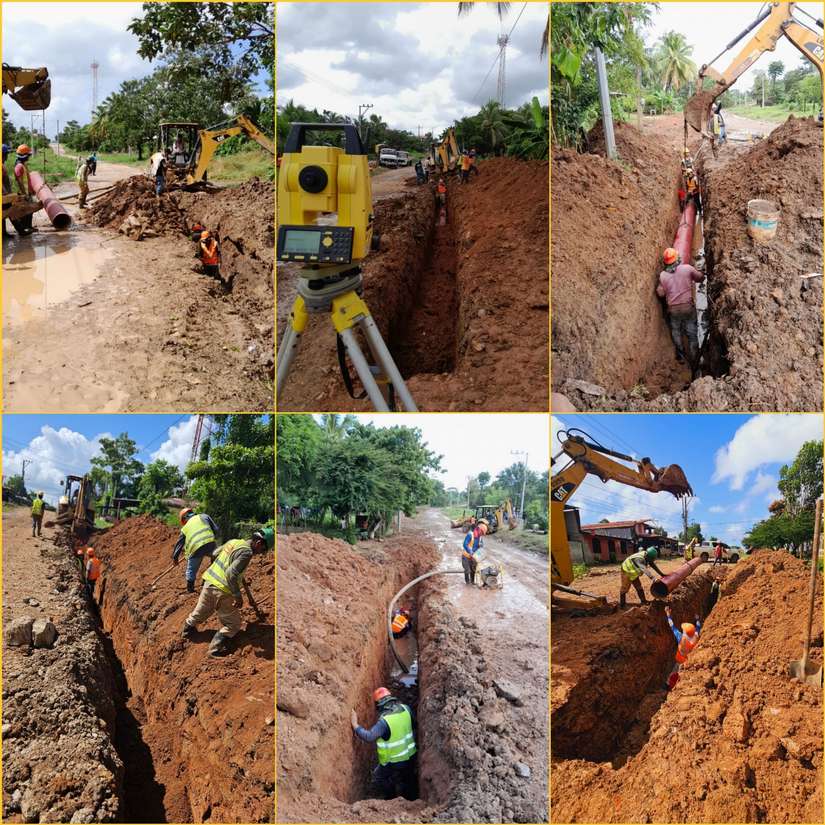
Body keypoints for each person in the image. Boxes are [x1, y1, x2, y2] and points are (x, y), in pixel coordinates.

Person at [182, 527, 274, 657]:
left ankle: (187, 632)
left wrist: (232, 570)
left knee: (201, 612)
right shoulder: (247, 553)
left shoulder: (234, 541)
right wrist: (237, 596)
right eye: (263, 550)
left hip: (209, 582)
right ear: (259, 543)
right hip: (223, 590)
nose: (260, 553)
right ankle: (214, 650)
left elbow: (215, 554)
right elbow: (231, 573)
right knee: (234, 624)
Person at [351, 687, 417, 800]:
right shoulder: (406, 709)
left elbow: (369, 737)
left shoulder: (385, 722)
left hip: (393, 761)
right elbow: (414, 725)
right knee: (407, 778)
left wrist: (355, 725)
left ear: (378, 704)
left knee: (379, 778)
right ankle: (410, 797)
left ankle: (391, 799)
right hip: (411, 756)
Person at [656, 247, 705, 374]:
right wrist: (701, 271)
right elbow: (700, 278)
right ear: (677, 259)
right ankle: (695, 358)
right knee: (692, 333)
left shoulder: (663, 275)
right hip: (688, 308)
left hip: (673, 310)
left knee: (676, 331)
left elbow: (660, 293)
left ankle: (681, 356)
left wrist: (664, 285)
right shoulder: (687, 268)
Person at [172, 507, 219, 593]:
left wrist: (175, 558)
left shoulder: (184, 529)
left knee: (191, 569)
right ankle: (208, 578)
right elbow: (216, 529)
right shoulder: (204, 516)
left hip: (196, 549)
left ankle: (190, 589)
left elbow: (179, 544)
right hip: (210, 543)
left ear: (184, 519)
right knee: (216, 560)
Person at [664, 605, 701, 689]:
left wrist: (668, 615)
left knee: (674, 673)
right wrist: (698, 619)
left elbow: (672, 626)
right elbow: (698, 628)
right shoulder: (695, 638)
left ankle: (669, 685)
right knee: (681, 675)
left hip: (679, 660)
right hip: (688, 663)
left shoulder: (680, 637)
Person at [462, 519, 488, 585]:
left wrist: (481, 551)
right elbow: (465, 544)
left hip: (474, 557)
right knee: (467, 570)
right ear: (479, 529)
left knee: (473, 570)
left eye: (483, 533)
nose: (482, 534)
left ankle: (472, 582)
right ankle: (467, 583)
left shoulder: (480, 538)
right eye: (482, 532)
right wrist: (470, 551)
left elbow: (481, 547)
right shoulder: (470, 534)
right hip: (466, 556)